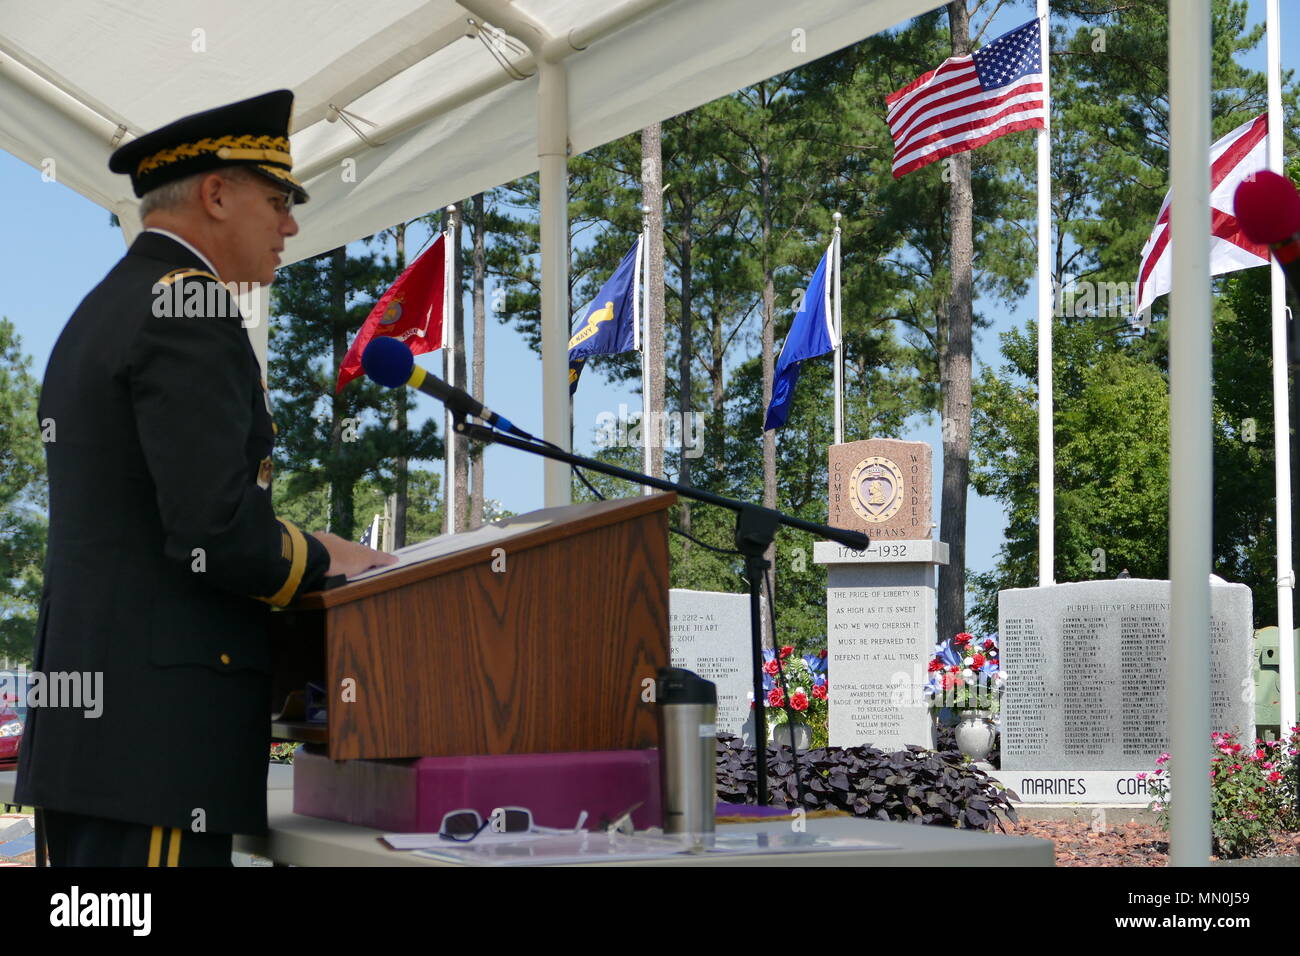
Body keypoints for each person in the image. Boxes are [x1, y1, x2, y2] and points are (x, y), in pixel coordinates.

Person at [14, 89, 396, 866]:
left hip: (97, 746)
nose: (290, 224)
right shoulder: (189, 309)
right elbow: (213, 529)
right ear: (216, 195)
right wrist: (329, 556)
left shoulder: (103, 308)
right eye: (277, 199)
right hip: (156, 746)